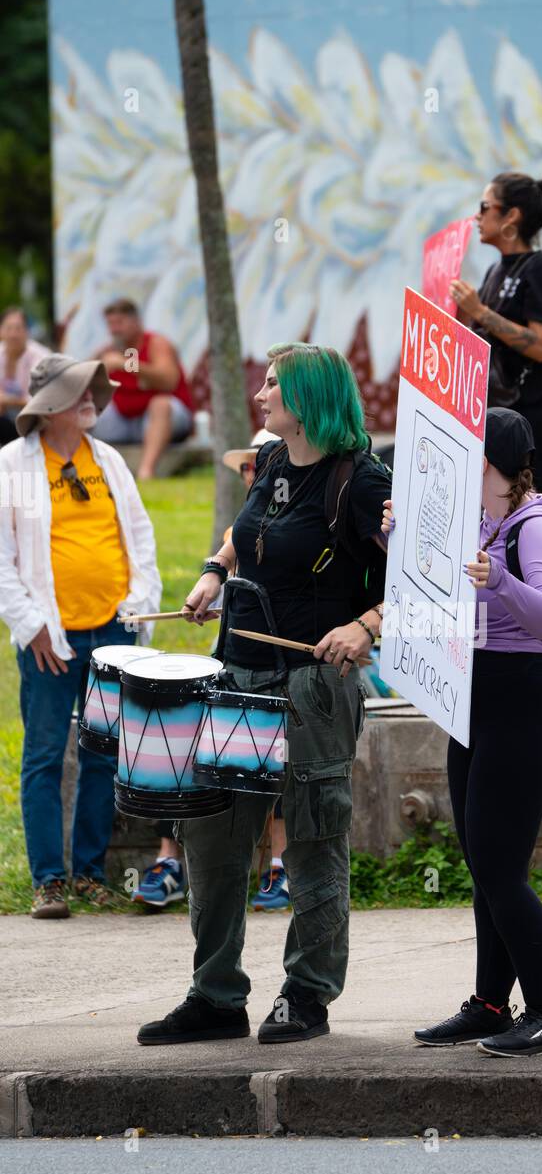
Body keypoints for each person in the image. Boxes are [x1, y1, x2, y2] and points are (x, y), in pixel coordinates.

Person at [137, 343, 391, 1047]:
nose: (262, 394)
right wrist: (213, 574)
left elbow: (419, 577)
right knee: (213, 838)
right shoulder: (274, 461)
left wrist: (365, 624)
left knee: (312, 840)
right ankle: (217, 995)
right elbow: (241, 535)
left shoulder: (362, 482)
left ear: (309, 397)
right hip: (239, 676)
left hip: (312, 685)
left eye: (275, 385)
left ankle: (308, 994)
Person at [383, 409, 542, 1057]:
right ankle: (492, 1004)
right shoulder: (482, 523)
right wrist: (397, 543)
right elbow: (436, 592)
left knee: (499, 866)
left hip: (525, 703)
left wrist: (502, 582)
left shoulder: (536, 527)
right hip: (477, 701)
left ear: (490, 464)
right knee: (484, 864)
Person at [0, 355, 161, 918]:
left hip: (113, 630)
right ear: (49, 408)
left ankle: (90, 873)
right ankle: (49, 880)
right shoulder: (17, 467)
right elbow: (5, 557)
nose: (93, 398)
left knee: (102, 754)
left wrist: (139, 605)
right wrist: (30, 624)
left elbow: (139, 537)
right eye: (79, 392)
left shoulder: (108, 459)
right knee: (44, 755)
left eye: (94, 389)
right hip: (50, 637)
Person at [130, 432, 291, 912]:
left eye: (259, 467)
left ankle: (280, 868)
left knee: (276, 753)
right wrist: (206, 596)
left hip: (281, 669)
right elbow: (218, 590)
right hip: (230, 660)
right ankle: (170, 860)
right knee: (175, 737)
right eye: (247, 468)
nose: (251, 476)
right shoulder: (237, 532)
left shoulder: (297, 523)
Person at [448, 172, 542, 502]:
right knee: (494, 536)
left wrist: (480, 311)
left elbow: (541, 346)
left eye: (484, 207)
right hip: (500, 419)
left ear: (512, 216)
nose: (477, 217)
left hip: (537, 420)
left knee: (540, 529)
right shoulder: (496, 270)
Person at [92, 298, 194, 479]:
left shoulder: (156, 343)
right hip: (124, 421)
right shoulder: (107, 351)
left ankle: (146, 472)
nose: (114, 329)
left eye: (120, 323)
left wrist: (126, 364)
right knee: (85, 409)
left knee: (160, 404)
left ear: (136, 321)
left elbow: (168, 381)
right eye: (110, 324)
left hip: (167, 419)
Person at [0, 308, 50, 446]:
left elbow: (40, 401)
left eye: (18, 328)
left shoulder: (41, 357)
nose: (13, 334)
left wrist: (6, 401)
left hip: (36, 423)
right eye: (8, 328)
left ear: (27, 331)